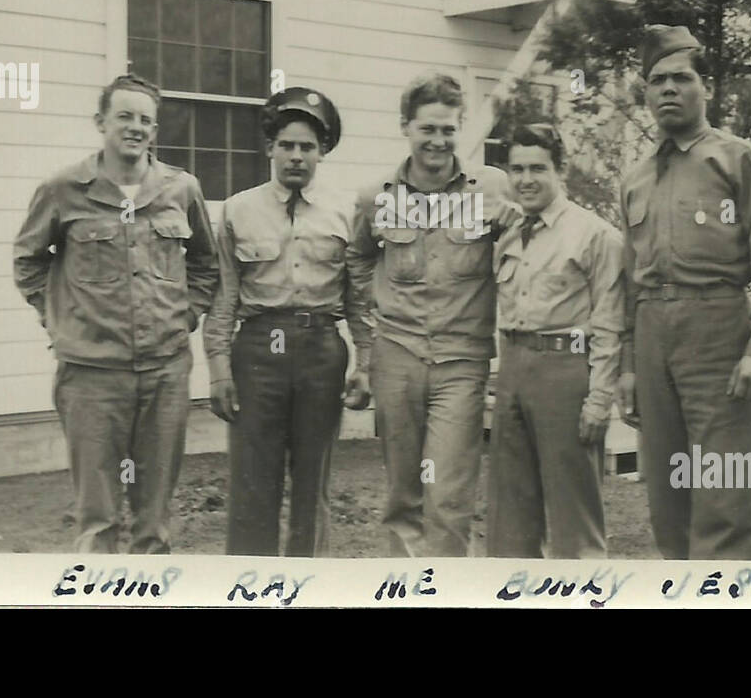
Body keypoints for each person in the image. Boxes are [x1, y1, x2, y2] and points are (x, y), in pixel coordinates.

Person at [618, 25, 751, 560]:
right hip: (654, 338)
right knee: (666, 496)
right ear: (646, 93)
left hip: (719, 333)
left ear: (707, 89)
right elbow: (631, 282)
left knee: (726, 497)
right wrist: (630, 366)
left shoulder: (740, 160)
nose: (668, 89)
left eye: (682, 77)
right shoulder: (634, 178)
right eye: (657, 81)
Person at [13, 73, 218, 553]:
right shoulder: (64, 190)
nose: (135, 127)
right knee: (97, 518)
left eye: (145, 119)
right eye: (124, 116)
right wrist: (59, 318)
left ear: (155, 130)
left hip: (166, 373)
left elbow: (206, 263)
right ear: (101, 121)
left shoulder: (181, 189)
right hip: (91, 377)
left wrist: (188, 316)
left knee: (155, 521)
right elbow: (28, 262)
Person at [346, 72, 520, 557]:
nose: (438, 141)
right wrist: (375, 307)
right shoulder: (376, 197)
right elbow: (358, 258)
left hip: (461, 365)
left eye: (448, 129)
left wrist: (513, 223)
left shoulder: (492, 189)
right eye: (428, 129)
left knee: (447, 496)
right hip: (396, 359)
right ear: (406, 127)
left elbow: (523, 251)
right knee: (403, 497)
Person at [204, 86, 362, 557]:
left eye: (308, 147)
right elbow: (224, 296)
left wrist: (367, 363)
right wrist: (217, 369)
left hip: (320, 351)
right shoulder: (238, 209)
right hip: (257, 353)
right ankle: (249, 590)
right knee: (253, 481)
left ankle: (311, 587)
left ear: (323, 152)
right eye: (287, 145)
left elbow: (359, 298)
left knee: (314, 482)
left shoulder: (346, 212)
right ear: (270, 147)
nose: (297, 156)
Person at [487, 124, 625, 559]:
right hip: (512, 369)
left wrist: (599, 399)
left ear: (560, 169)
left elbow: (609, 323)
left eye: (537, 168)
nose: (526, 179)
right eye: (517, 169)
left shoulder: (594, 234)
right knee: (509, 513)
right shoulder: (506, 232)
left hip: (565, 373)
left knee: (573, 516)